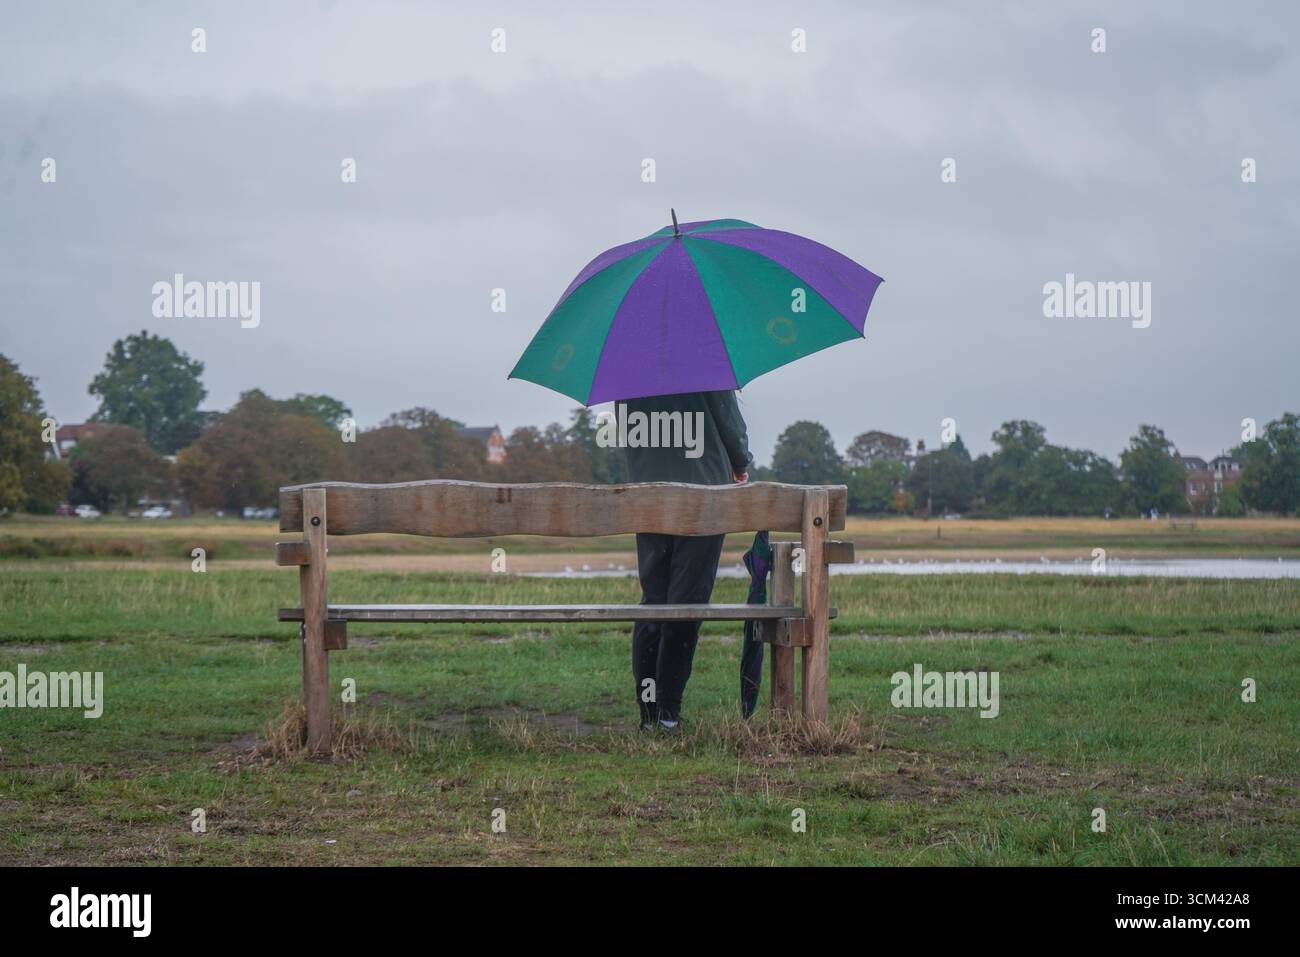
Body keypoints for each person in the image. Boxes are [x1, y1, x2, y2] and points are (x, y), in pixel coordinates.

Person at [621, 390, 753, 731]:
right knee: (687, 602)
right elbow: (730, 425)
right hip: (702, 494)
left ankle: (649, 712)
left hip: (647, 494)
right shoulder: (706, 358)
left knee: (654, 603)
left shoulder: (626, 367)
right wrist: (740, 464)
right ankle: (668, 712)